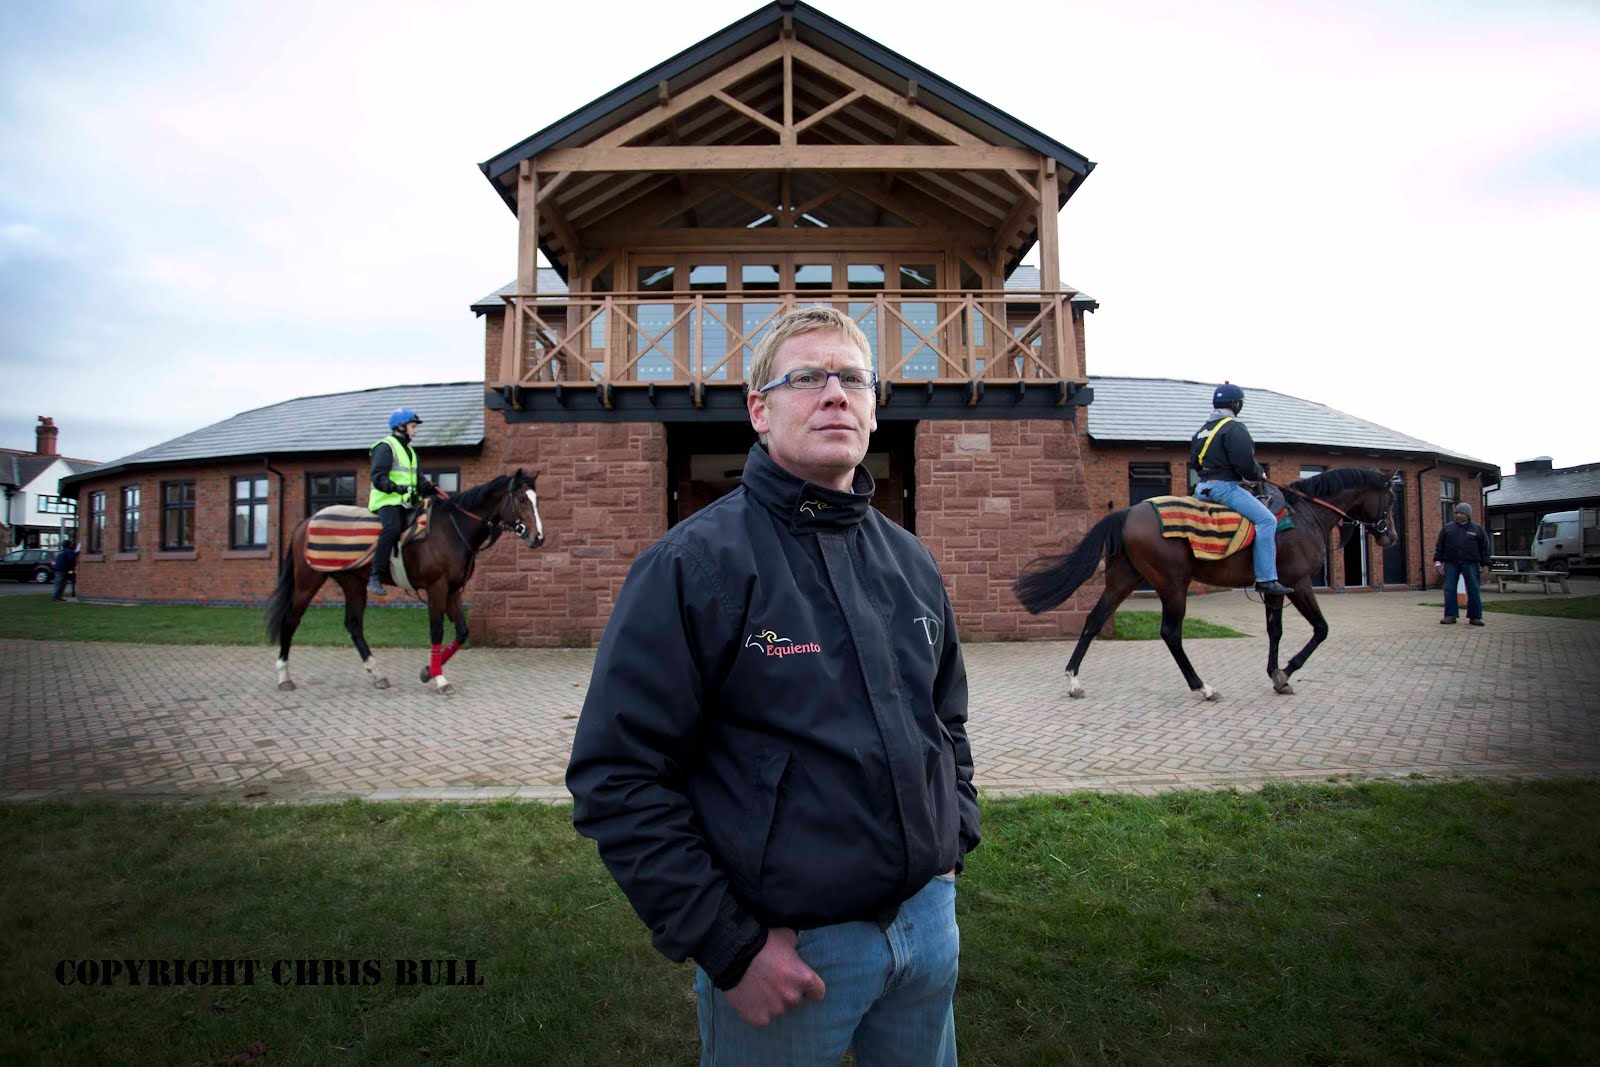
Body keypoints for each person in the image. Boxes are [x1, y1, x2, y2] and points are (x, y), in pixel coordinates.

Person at [567, 306, 979, 1066]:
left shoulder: (913, 562)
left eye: (853, 377)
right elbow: (617, 775)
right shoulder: (693, 566)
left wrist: (954, 838)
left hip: (927, 928)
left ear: (874, 405)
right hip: (790, 956)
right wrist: (729, 947)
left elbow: (945, 719)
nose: (834, 393)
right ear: (759, 411)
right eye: (807, 377)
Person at [1188, 383, 1294, 595]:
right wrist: (1258, 474)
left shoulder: (1202, 431)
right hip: (1224, 488)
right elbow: (1244, 463)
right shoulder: (1234, 427)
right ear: (1237, 404)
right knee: (1267, 520)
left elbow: (1195, 463)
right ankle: (1266, 579)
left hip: (1202, 488)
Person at [367, 408, 435, 596]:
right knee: (392, 528)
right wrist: (397, 489)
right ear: (400, 427)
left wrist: (429, 487)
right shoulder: (385, 446)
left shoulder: (411, 452)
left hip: (408, 502)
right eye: (413, 426)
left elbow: (417, 479)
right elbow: (378, 477)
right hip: (386, 501)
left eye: (415, 427)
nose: (416, 431)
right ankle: (375, 575)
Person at [1434, 501, 1490, 625]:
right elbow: (1440, 546)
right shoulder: (1447, 529)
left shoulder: (1477, 529)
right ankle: (1450, 615)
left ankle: (1475, 616)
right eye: (1457, 513)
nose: (1458, 515)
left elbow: (1484, 548)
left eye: (1461, 513)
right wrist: (1438, 562)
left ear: (1468, 514)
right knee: (1449, 589)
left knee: (1473, 589)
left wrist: (1485, 564)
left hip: (1470, 563)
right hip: (1451, 563)